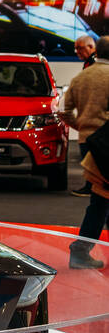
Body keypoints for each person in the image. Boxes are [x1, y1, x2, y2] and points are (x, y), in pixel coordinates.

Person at [64, 35, 109, 198]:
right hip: (105, 137)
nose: (77, 51)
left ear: (94, 49)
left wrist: (79, 125)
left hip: (87, 136)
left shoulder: (81, 77)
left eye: (79, 48)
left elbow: (64, 110)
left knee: (99, 196)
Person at [70, 117, 109, 269]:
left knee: (99, 207)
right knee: (99, 208)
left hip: (100, 156)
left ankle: (80, 252)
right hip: (104, 164)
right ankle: (80, 252)